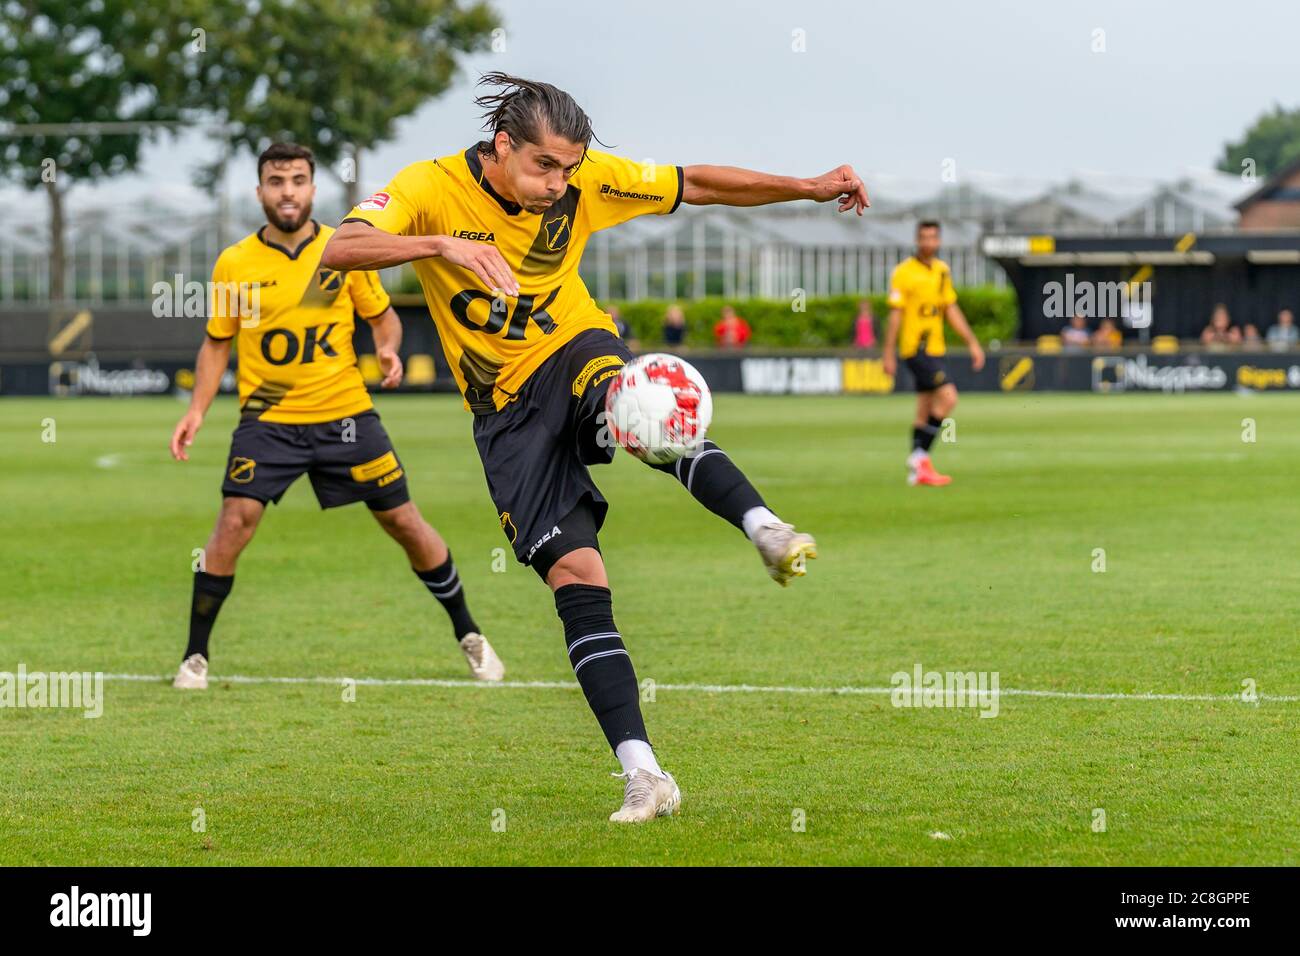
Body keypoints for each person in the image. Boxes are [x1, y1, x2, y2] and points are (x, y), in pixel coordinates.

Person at [322, 73, 869, 822]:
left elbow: (697, 184)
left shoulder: (584, 182)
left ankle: (763, 526)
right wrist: (438, 244)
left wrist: (804, 186)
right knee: (576, 579)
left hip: (575, 348)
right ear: (504, 146)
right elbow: (341, 245)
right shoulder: (432, 186)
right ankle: (644, 773)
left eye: (570, 169)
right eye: (545, 166)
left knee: (636, 407)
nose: (560, 184)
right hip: (507, 419)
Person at [168, 143, 504, 691]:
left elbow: (384, 318)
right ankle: (194, 657)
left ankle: (469, 634)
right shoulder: (234, 262)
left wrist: (389, 349)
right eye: (276, 181)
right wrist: (196, 411)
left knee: (404, 522)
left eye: (298, 180)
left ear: (312, 189)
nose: (287, 191)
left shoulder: (343, 248)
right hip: (267, 421)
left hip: (346, 414)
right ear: (260, 192)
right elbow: (215, 344)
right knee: (233, 523)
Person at [881, 221, 984, 487]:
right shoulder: (903, 272)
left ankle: (918, 473)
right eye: (924, 237)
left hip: (936, 348)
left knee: (924, 408)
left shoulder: (941, 271)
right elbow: (895, 315)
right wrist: (888, 353)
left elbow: (950, 309)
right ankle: (920, 457)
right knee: (949, 397)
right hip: (916, 348)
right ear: (917, 239)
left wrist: (972, 342)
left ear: (939, 241)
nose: (928, 242)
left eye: (933, 238)